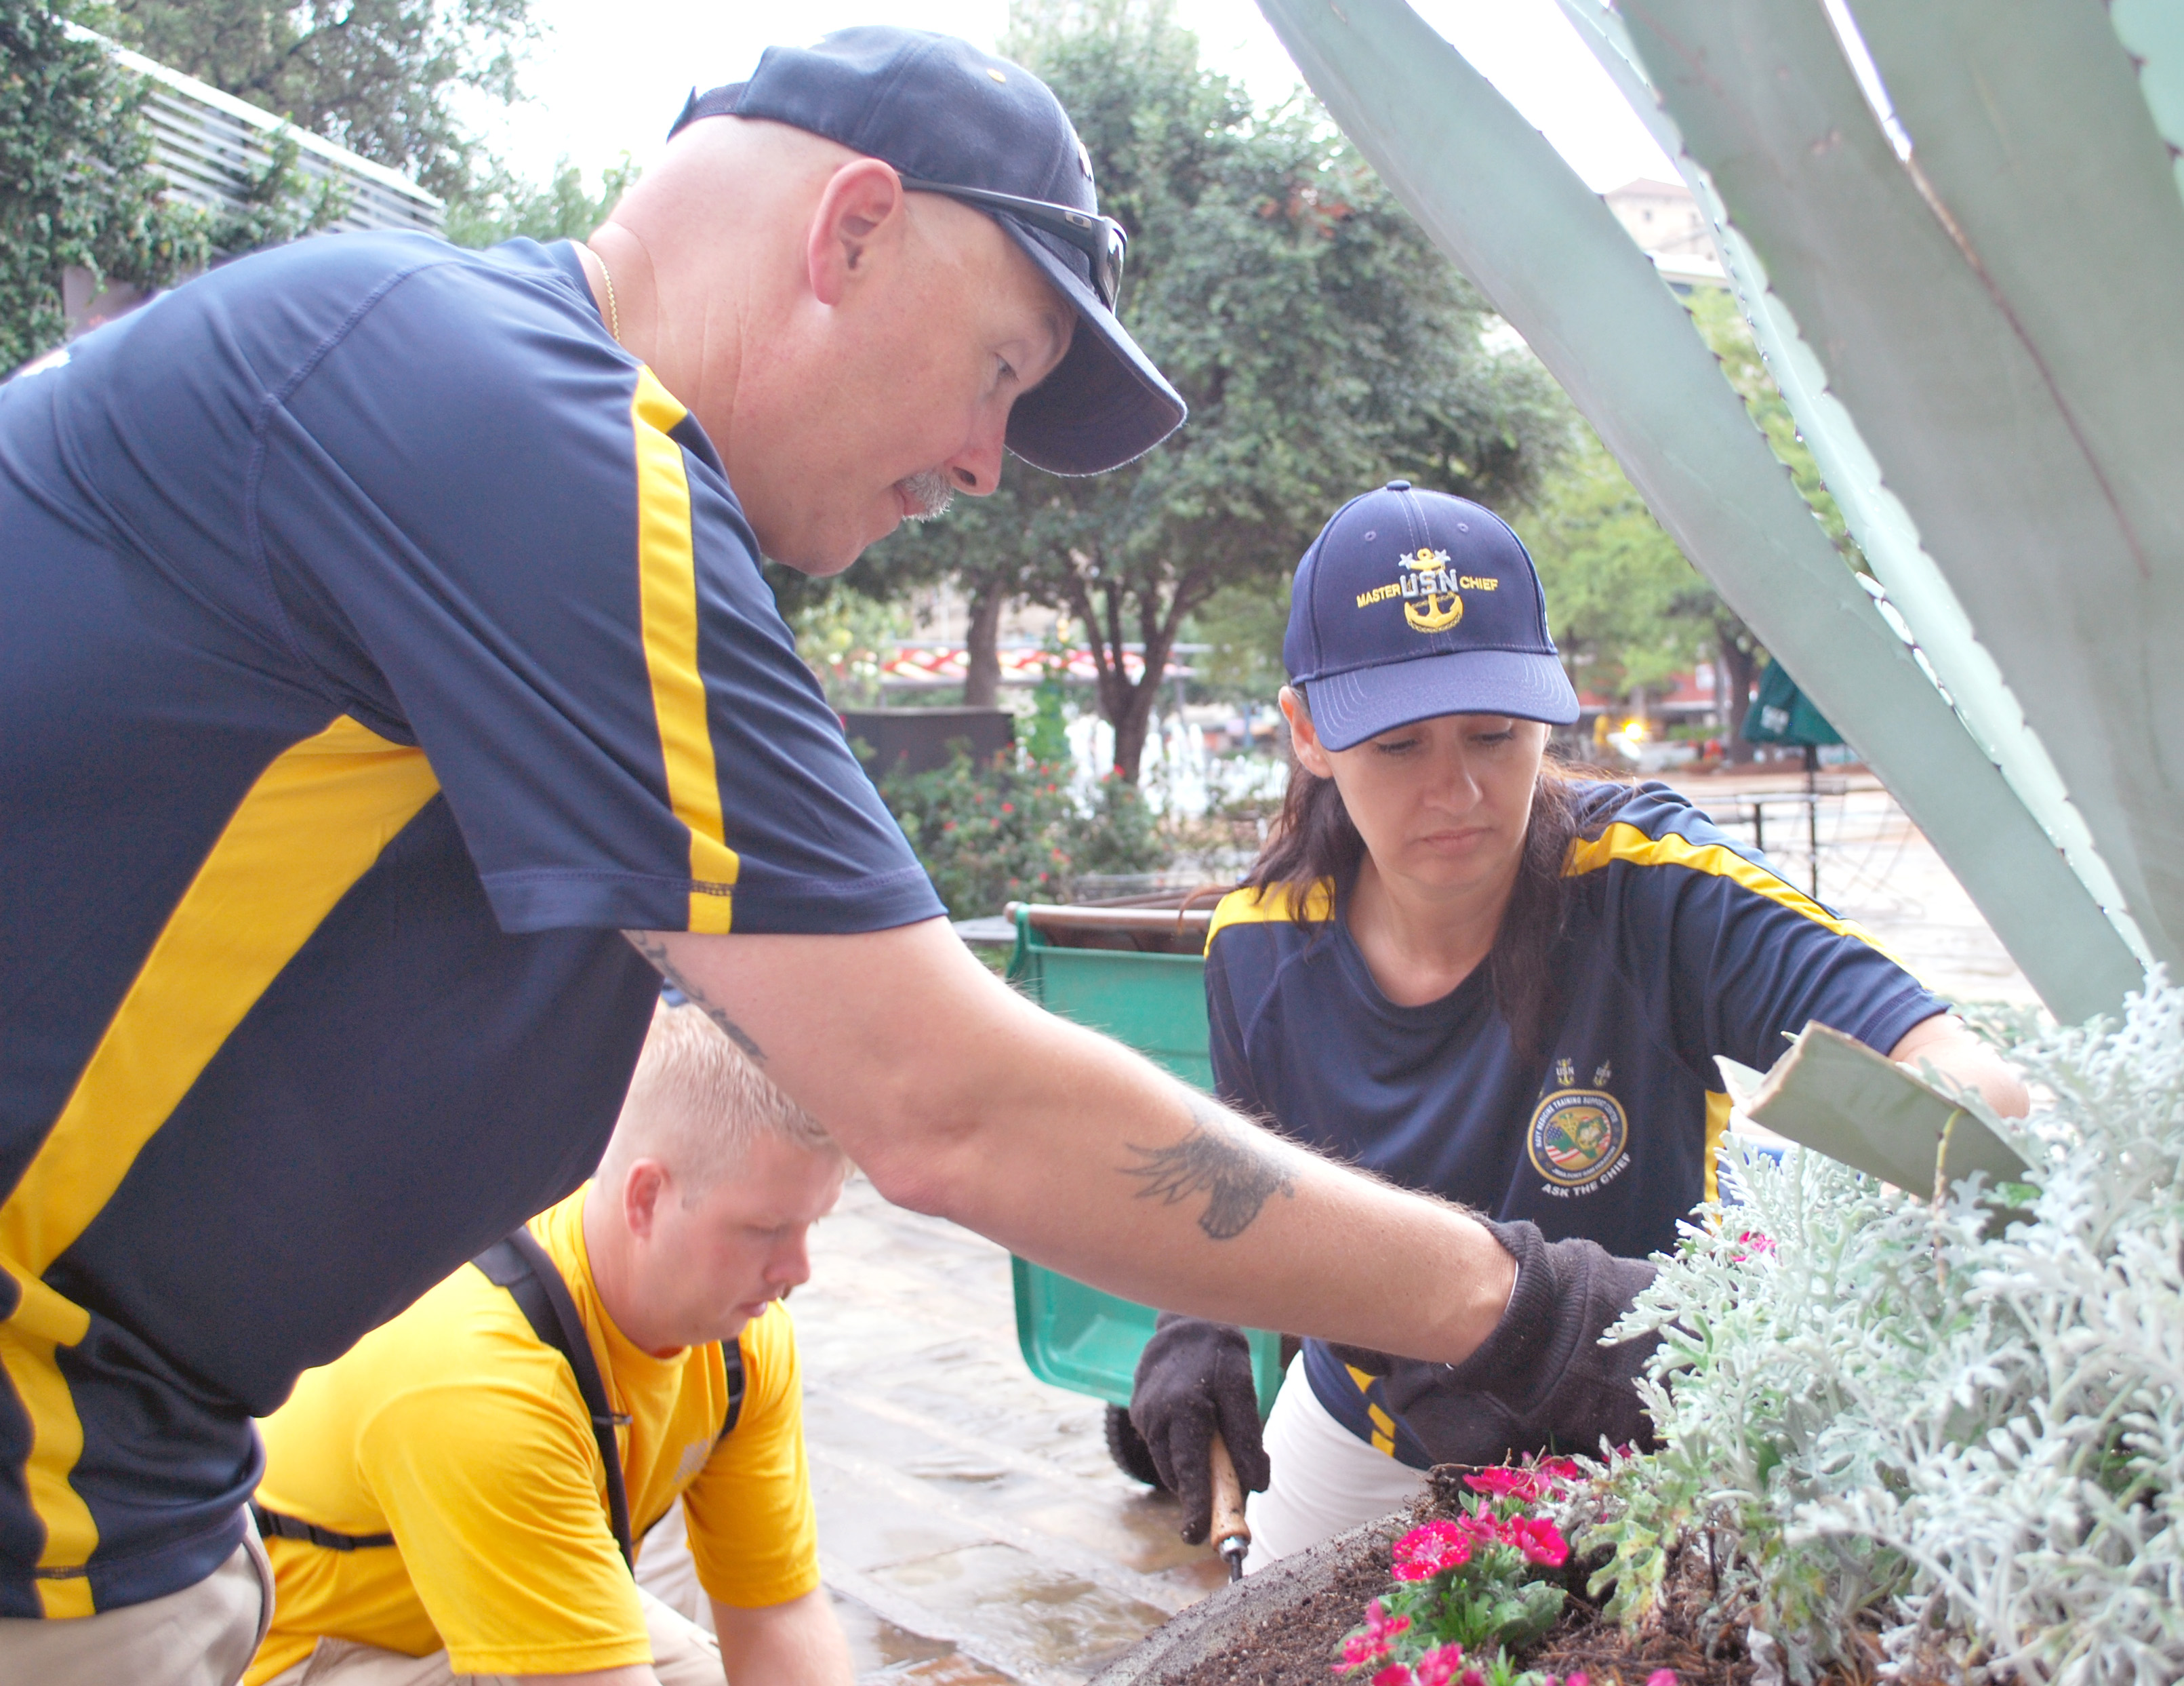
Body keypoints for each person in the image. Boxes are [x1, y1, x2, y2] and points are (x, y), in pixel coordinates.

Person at [1, 31, 1607, 1683]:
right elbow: (947, 1099)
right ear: (853, 230)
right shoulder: (514, 417)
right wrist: (1529, 1309)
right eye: (999, 369)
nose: (982, 464)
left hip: (137, 1469)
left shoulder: (465, 416)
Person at [1127, 481, 2029, 1567]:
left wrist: (1819, 1278)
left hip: (1635, 1409)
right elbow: (1238, 1167)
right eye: (1398, 745)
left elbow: (1970, 1094)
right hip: (1368, 1413)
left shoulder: (1653, 888)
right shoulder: (1260, 945)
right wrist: (1196, 1316)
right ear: (1310, 733)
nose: (1457, 789)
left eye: (1494, 733)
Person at [245, 1000, 851, 1686]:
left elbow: (777, 1614)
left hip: (503, 1595)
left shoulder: (743, 1339)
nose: (799, 1270)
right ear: (646, 1198)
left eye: (814, 1224)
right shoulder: (482, 1376)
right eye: (766, 1230)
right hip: (321, 1652)